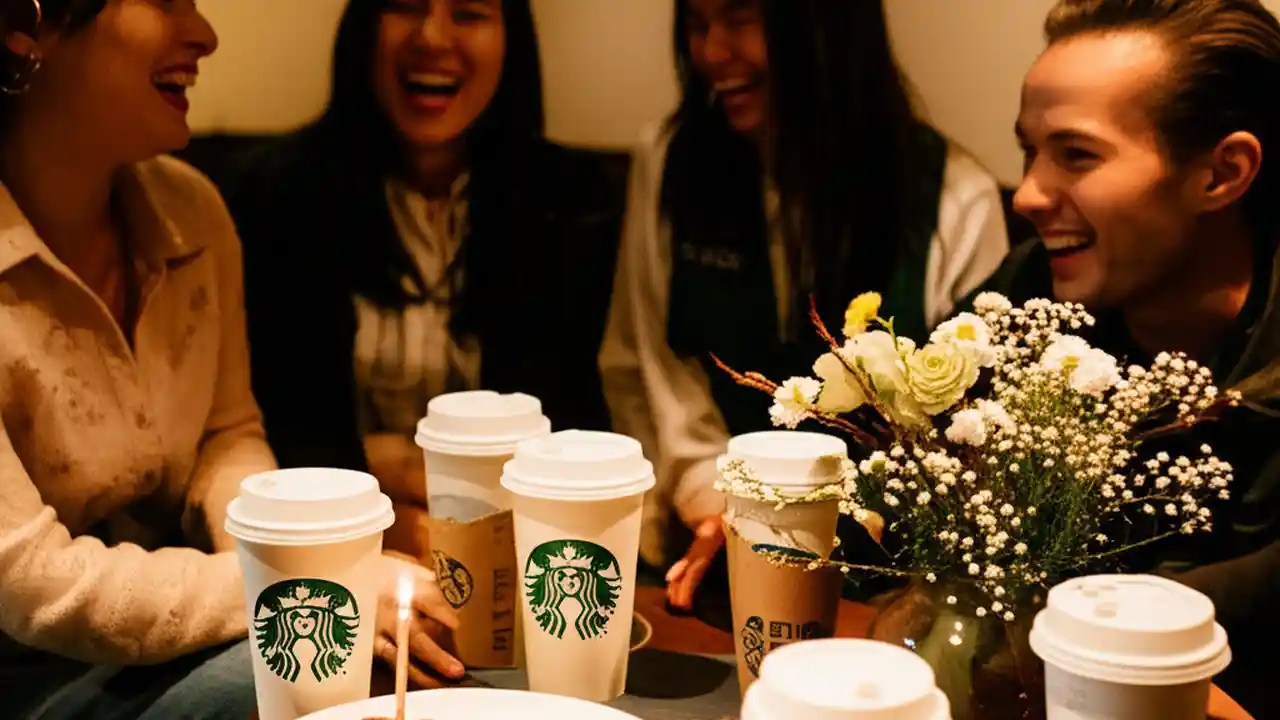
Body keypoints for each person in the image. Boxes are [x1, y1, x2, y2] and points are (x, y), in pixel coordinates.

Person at [0, 1, 460, 717]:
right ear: (28, 23)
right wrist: (295, 587)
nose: (203, 34)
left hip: (183, 640)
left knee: (372, 660)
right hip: (24, 672)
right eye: (165, 1)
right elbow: (32, 583)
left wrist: (298, 569)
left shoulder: (193, 212)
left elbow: (228, 437)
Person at [599, 0, 1010, 609]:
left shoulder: (951, 197)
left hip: (889, 591)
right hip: (705, 549)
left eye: (741, 17)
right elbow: (649, 361)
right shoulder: (673, 159)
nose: (711, 52)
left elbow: (974, 438)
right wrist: (716, 499)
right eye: (696, 22)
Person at [224, 0, 623, 508]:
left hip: (519, 544)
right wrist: (388, 491)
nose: (432, 37)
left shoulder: (576, 204)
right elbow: (268, 427)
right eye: (405, 6)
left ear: (511, 40)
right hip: (328, 541)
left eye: (469, 13)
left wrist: (404, 465)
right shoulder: (269, 196)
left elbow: (573, 428)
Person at [999, 0, 1280, 714]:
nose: (1029, 194)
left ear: (1223, 174)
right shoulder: (1031, 293)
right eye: (1029, 152)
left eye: (1076, 154)